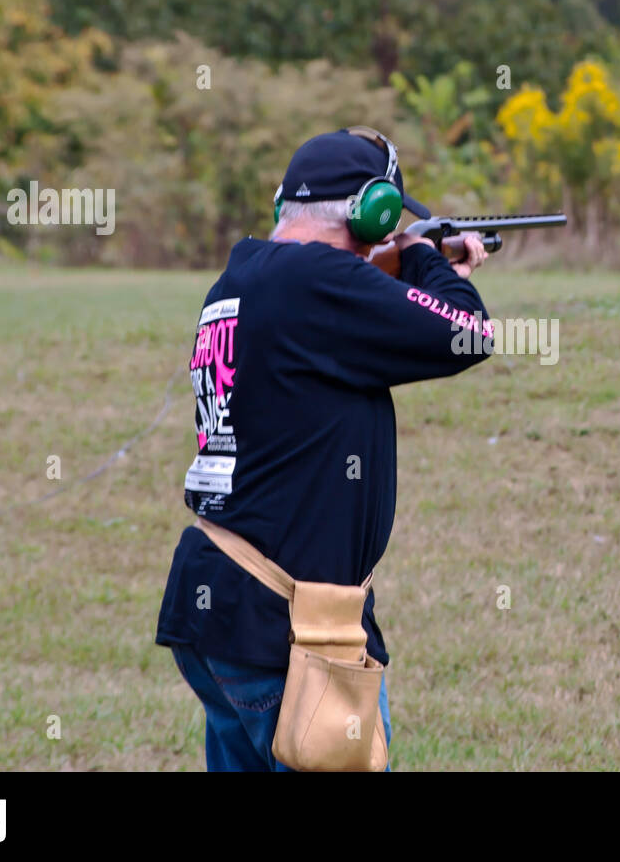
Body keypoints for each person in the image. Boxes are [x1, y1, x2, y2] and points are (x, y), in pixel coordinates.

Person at [155, 126, 492, 771]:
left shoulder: (242, 275)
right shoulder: (318, 280)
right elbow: (466, 334)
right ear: (375, 211)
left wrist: (399, 262)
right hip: (290, 625)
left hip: (223, 601)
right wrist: (424, 260)